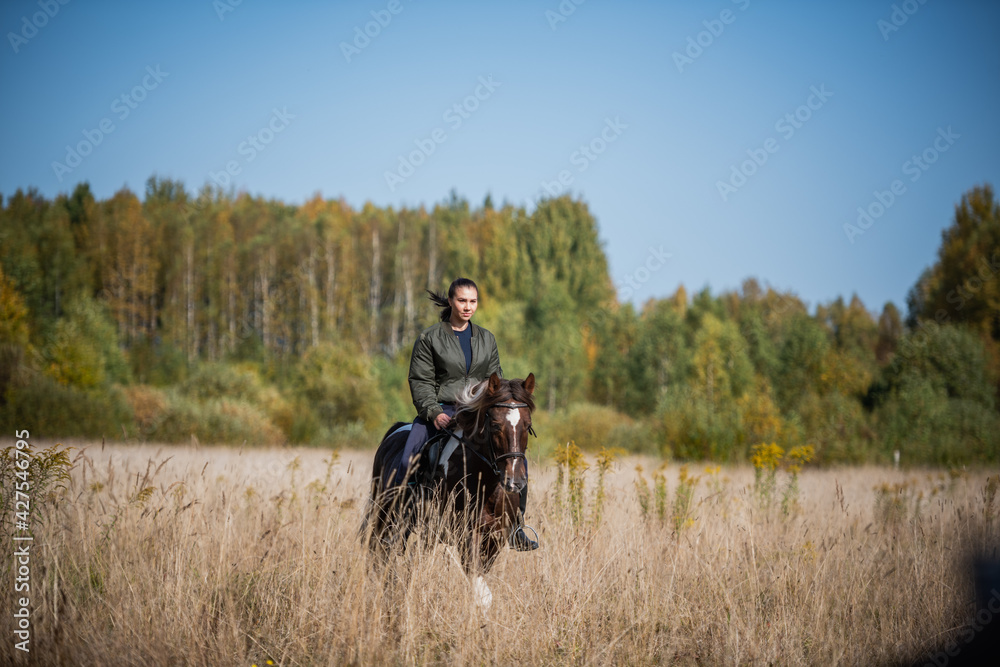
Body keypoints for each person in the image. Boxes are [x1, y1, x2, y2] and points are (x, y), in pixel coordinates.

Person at [399, 277, 538, 551]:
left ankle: (517, 527)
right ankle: (402, 524)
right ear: (450, 301)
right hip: (442, 410)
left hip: (477, 412)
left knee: (516, 460)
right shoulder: (430, 338)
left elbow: (493, 380)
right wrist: (433, 412)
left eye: (472, 301)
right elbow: (420, 381)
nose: (467, 307)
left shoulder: (487, 338)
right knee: (407, 458)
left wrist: (501, 402)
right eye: (462, 300)